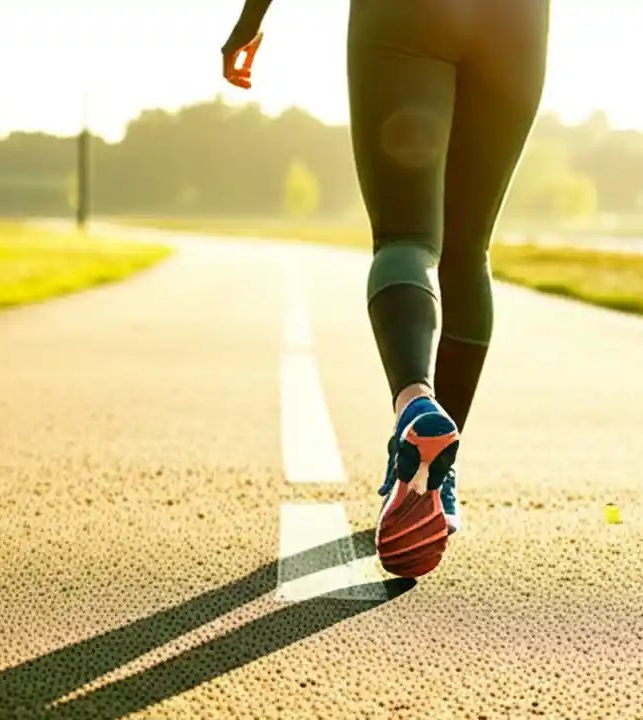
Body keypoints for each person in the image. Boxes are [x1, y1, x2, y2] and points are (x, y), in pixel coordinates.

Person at [222, 0, 551, 578]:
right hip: (515, 22)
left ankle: (415, 404)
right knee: (469, 248)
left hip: (404, 18)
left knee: (406, 238)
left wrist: (250, 22)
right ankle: (435, 479)